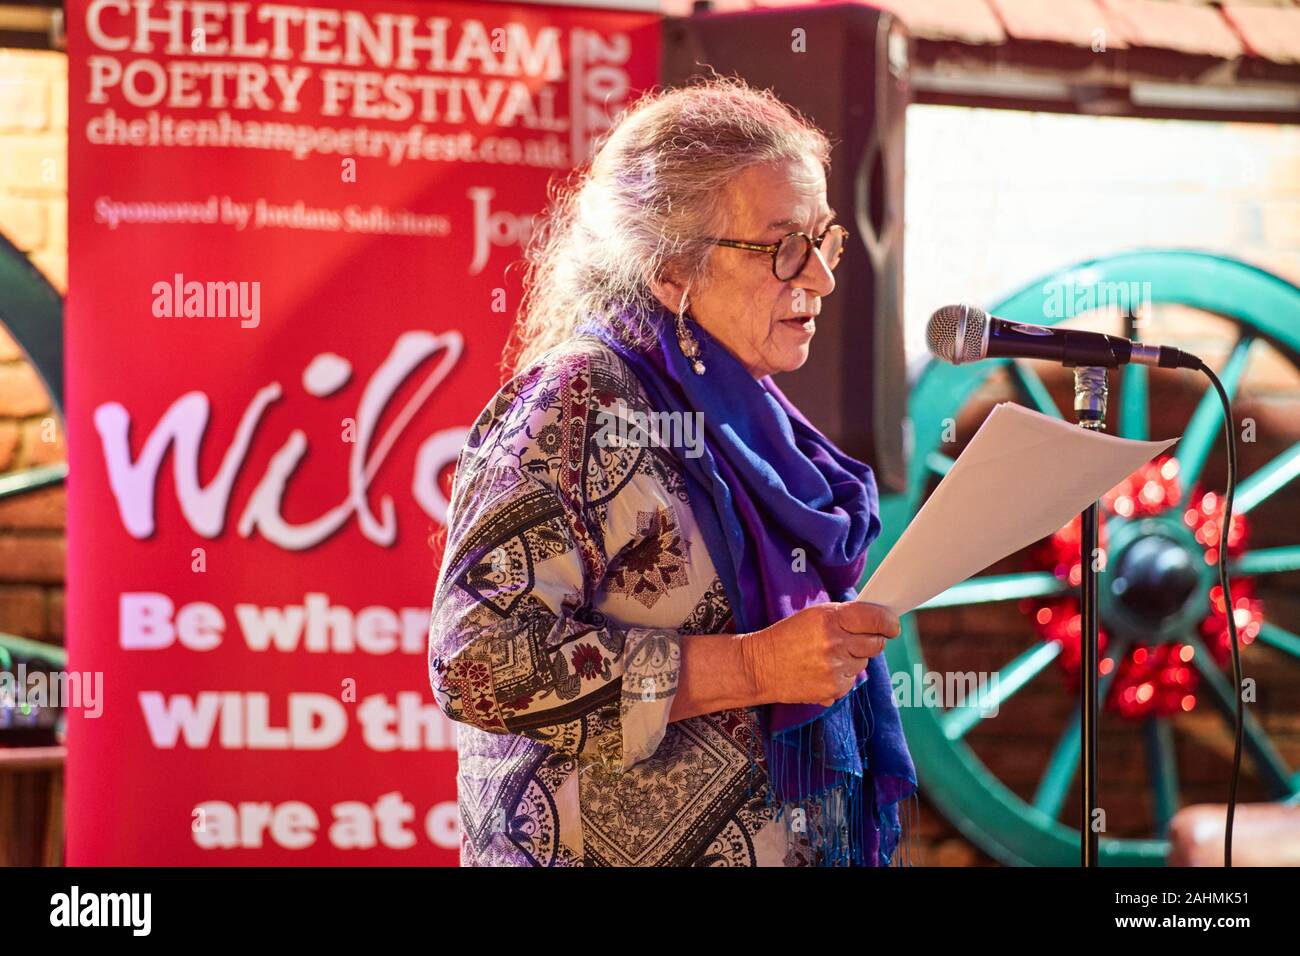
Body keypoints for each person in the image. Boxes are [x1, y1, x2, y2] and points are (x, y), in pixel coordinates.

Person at [428, 75, 917, 866]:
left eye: (824, 240)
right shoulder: (576, 404)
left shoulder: (751, 415)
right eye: (783, 247)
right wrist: (755, 667)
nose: (821, 279)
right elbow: (478, 662)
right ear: (670, 269)